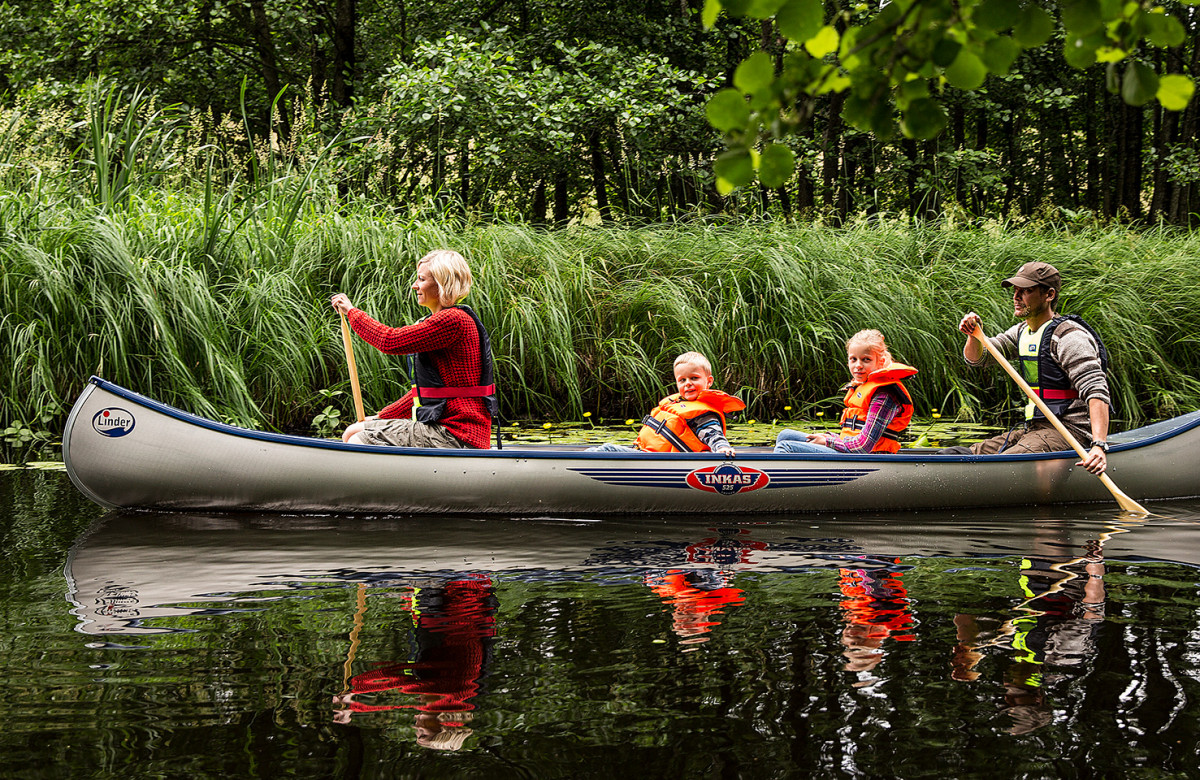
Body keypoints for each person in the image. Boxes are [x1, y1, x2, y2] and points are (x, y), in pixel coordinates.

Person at [951, 261, 1111, 475]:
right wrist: (974, 336)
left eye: (1026, 291)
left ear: (1049, 295)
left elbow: (1097, 392)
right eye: (1016, 290)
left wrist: (1099, 446)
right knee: (960, 454)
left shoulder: (1069, 337)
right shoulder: (1021, 332)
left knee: (1002, 466)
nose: (1016, 297)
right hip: (1035, 429)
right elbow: (979, 358)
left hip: (1070, 431)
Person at [330, 249, 496, 449]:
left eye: (421, 279)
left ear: (442, 284)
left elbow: (389, 341)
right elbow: (429, 392)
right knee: (354, 430)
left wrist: (352, 313)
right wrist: (382, 416)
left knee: (359, 440)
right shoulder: (444, 320)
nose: (414, 285)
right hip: (447, 429)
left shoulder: (453, 320)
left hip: (458, 434)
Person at [774, 329, 917, 454]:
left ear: (880, 361)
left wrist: (828, 442)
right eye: (853, 359)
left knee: (786, 446)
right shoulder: (864, 385)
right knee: (784, 435)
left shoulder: (885, 395)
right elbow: (851, 434)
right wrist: (828, 437)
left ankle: (774, 483)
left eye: (866, 360)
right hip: (850, 450)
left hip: (869, 456)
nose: (858, 366)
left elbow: (863, 446)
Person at [587, 352, 743, 456]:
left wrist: (722, 448)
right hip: (646, 454)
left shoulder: (703, 414)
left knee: (606, 449)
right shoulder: (678, 403)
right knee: (603, 449)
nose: (688, 383)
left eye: (694, 378)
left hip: (658, 459)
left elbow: (712, 434)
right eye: (682, 380)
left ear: (708, 381)